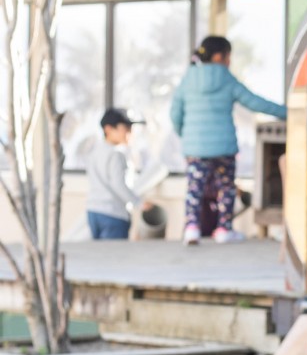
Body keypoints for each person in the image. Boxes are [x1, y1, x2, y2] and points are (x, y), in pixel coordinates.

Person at [170, 35, 286, 245]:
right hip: (223, 146)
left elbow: (175, 114)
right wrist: (287, 112)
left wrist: (185, 135)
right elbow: (254, 102)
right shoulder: (226, 78)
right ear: (218, 56)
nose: (229, 61)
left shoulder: (188, 79)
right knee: (226, 187)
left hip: (195, 147)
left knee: (194, 188)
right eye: (228, 56)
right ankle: (224, 229)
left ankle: (192, 228)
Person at [85, 108, 151, 240]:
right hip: (113, 213)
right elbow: (118, 184)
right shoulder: (116, 155)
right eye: (125, 128)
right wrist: (139, 203)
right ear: (108, 129)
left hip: (93, 211)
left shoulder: (94, 152)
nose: (129, 132)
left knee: (99, 257)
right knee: (113, 258)